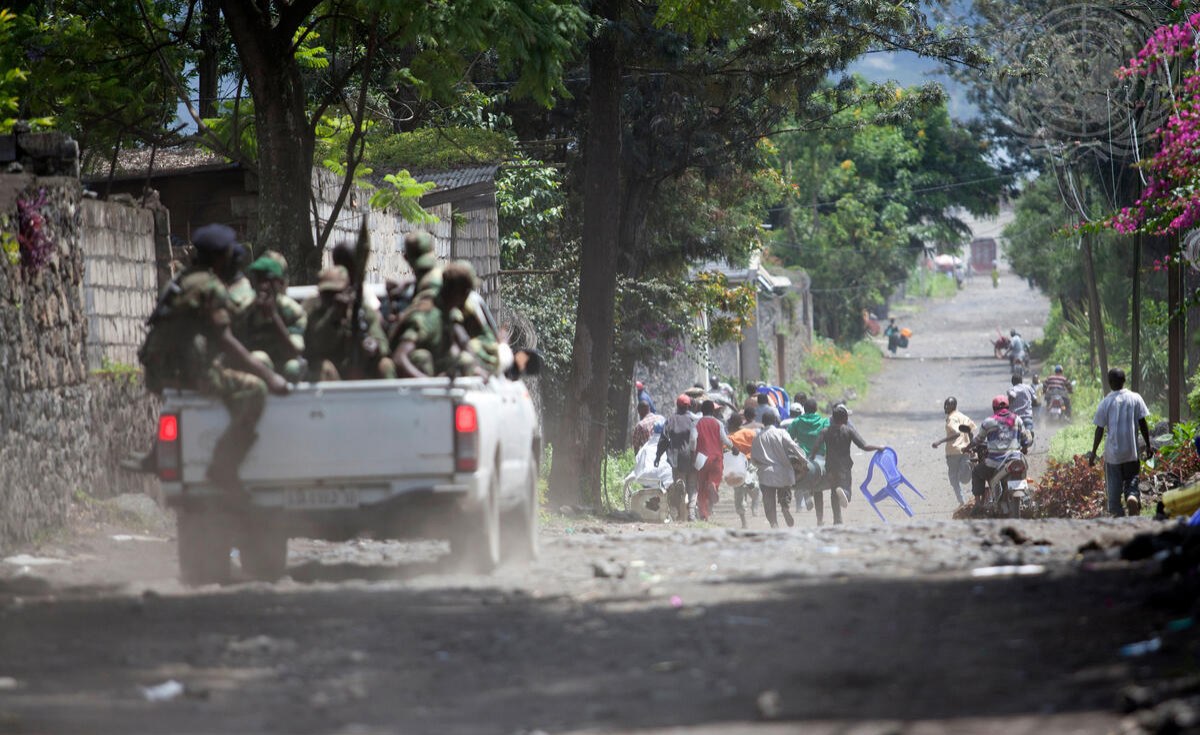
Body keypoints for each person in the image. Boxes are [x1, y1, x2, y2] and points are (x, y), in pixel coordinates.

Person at [137, 223, 290, 494]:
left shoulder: (183, 280)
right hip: (185, 371)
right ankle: (223, 465)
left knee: (183, 403)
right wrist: (271, 377)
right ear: (221, 257)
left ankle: (156, 455)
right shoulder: (210, 287)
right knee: (255, 389)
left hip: (157, 370)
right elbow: (226, 341)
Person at [392, 261, 494, 378]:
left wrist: (475, 370)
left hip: (433, 380)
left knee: (463, 361)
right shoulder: (427, 315)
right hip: (407, 388)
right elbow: (399, 358)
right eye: (467, 292)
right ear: (460, 293)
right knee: (422, 357)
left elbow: (454, 350)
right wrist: (429, 383)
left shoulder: (447, 314)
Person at [303, 266, 396, 380]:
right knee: (323, 367)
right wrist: (334, 316)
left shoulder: (363, 312)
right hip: (333, 372)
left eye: (337, 293)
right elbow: (316, 345)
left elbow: (382, 342)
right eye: (327, 294)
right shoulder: (313, 312)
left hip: (360, 370)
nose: (333, 298)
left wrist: (375, 346)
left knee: (385, 365)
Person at [1089, 368, 1153, 517]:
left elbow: (1099, 429)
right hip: (1131, 452)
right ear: (1124, 381)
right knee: (1132, 481)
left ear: (1109, 382)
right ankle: (1131, 497)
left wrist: (1093, 452)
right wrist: (1148, 445)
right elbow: (1143, 423)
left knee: (1114, 491)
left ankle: (1118, 514)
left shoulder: (1106, 402)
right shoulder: (1135, 398)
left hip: (1113, 456)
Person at [234, 255, 306, 382]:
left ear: (280, 283)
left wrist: (273, 316)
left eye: (267, 280)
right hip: (258, 368)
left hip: (284, 361)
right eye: (258, 280)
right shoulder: (246, 310)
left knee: (294, 367)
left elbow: (295, 351)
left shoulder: (293, 311)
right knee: (258, 358)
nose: (263, 286)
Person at [813, 405, 883, 525]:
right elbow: (864, 446)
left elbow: (815, 448)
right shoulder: (848, 430)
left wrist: (810, 459)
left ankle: (837, 520)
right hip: (844, 467)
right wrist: (879, 447)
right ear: (846, 418)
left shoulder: (825, 431)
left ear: (833, 419)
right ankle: (844, 493)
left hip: (830, 467)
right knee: (846, 492)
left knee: (834, 493)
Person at [750, 408, 807, 528]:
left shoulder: (757, 437)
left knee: (768, 501)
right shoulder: (781, 433)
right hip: (783, 472)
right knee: (785, 493)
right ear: (775, 420)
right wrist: (803, 459)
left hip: (766, 474)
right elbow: (792, 445)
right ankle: (785, 507)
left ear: (763, 422)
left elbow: (754, 459)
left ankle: (773, 523)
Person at [971, 395, 1032, 502]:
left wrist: (967, 446)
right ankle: (1025, 497)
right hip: (1015, 459)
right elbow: (1024, 438)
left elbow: (979, 440)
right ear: (1008, 407)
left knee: (976, 472)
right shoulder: (1017, 419)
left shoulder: (988, 422)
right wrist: (1025, 448)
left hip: (995, 462)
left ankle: (977, 503)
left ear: (994, 408)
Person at [656, 394, 699, 521]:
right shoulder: (693, 421)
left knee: (680, 484)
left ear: (677, 405)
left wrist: (658, 456)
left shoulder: (670, 420)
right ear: (688, 406)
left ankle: (678, 512)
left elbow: (663, 440)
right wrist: (695, 456)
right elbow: (696, 439)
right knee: (692, 485)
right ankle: (691, 513)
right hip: (691, 457)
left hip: (676, 459)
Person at [931, 397, 976, 505]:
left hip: (953, 452)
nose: (946, 407)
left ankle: (962, 502)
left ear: (953, 406)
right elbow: (971, 432)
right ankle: (968, 468)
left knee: (953, 478)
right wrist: (971, 446)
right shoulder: (963, 416)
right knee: (964, 478)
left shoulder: (951, 418)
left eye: (948, 405)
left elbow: (956, 433)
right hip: (965, 450)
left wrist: (939, 441)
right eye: (945, 405)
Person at [694, 400, 732, 520]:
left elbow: (692, 440)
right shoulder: (718, 423)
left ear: (701, 411)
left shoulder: (696, 423)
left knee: (701, 487)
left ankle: (704, 513)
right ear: (713, 410)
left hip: (701, 458)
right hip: (716, 458)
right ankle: (713, 485)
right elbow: (725, 440)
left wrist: (693, 450)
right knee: (714, 481)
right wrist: (733, 447)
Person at [727, 412, 761, 527]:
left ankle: (745, 519)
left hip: (740, 467)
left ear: (731, 424)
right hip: (748, 465)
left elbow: (726, 453)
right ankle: (749, 515)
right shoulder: (750, 433)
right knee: (751, 487)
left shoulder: (730, 438)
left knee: (740, 493)